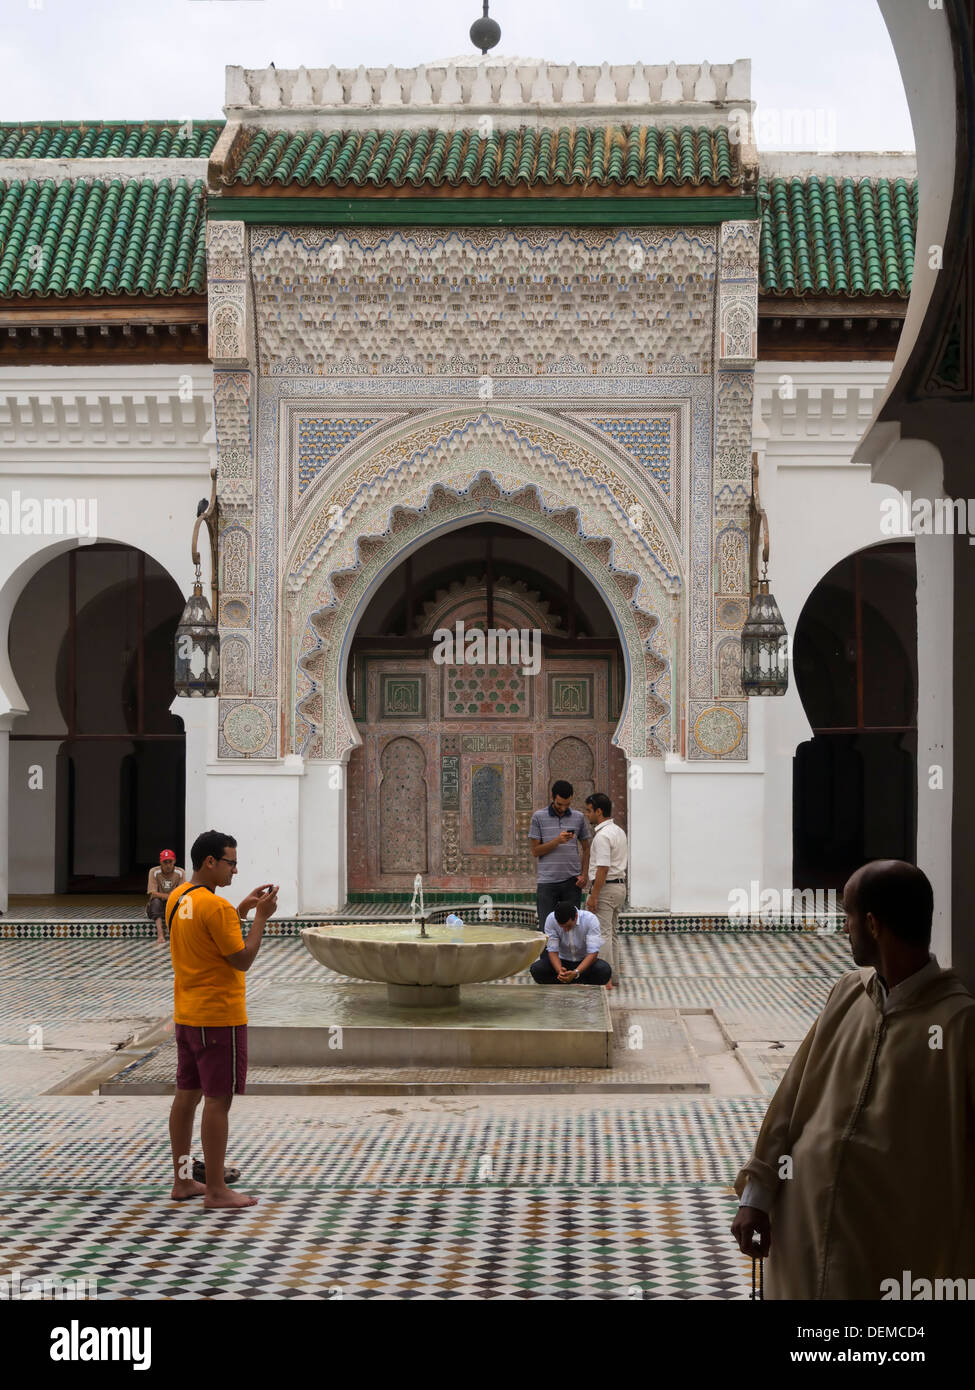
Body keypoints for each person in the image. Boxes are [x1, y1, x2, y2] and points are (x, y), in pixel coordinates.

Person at [731, 859, 975, 1299]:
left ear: (873, 924)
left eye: (846, 916)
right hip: (802, 1239)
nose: (843, 928)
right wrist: (756, 1197)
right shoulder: (848, 992)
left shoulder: (958, 1026)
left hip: (889, 1258)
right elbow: (790, 1100)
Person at [166, 829, 278, 1210]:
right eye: (230, 861)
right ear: (210, 862)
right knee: (218, 1100)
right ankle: (215, 1189)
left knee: (186, 1098)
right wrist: (260, 918)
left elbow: (206, 932)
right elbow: (242, 959)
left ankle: (183, 1181)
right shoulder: (216, 907)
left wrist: (240, 910)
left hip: (187, 1015)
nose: (235, 869)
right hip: (218, 1018)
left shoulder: (179, 897)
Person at [529, 780, 591, 933]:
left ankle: (569, 958)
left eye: (567, 804)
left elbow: (586, 848)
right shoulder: (538, 817)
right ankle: (548, 958)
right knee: (547, 929)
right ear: (552, 797)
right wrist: (557, 841)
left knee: (572, 928)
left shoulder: (578, 817)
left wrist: (584, 874)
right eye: (559, 804)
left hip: (572, 883)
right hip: (547, 883)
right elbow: (535, 851)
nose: (563, 808)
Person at [584, 792, 627, 983]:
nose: (587, 814)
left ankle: (604, 979)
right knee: (612, 933)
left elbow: (602, 868)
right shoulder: (618, 831)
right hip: (619, 887)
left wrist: (594, 895)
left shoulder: (602, 836)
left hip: (607, 888)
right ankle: (613, 977)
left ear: (599, 811)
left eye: (589, 810)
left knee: (602, 933)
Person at [529, 899, 612, 986]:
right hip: (563, 961)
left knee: (604, 970)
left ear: (576, 916)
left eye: (568, 926)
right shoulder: (551, 919)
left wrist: (576, 972)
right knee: (537, 969)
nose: (565, 930)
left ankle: (580, 981)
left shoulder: (590, 919)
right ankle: (563, 981)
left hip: (584, 963)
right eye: (562, 927)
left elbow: (593, 953)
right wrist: (560, 971)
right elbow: (552, 950)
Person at [146, 850, 184, 945]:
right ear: (160, 862)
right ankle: (160, 934)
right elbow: (153, 893)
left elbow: (182, 892)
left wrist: (171, 897)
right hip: (159, 904)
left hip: (171, 903)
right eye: (165, 862)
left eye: (170, 862)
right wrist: (170, 896)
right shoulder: (154, 872)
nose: (168, 865)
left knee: (184, 901)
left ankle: (179, 934)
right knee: (155, 901)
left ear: (174, 861)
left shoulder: (180, 872)